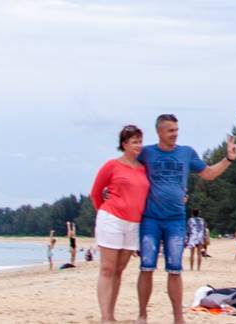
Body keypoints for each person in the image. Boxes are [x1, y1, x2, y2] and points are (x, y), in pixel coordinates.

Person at [136, 114, 236, 324]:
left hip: (175, 221)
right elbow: (127, 170)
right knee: (146, 268)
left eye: (176, 130)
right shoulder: (146, 153)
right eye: (170, 131)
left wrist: (228, 159)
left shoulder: (186, 153)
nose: (175, 134)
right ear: (159, 132)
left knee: (175, 269)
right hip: (150, 220)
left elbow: (208, 174)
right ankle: (142, 315)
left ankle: (178, 318)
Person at [92, 125, 150, 323]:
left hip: (133, 223)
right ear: (124, 144)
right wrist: (105, 211)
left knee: (119, 270)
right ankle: (106, 317)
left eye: (140, 141)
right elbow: (96, 192)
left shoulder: (144, 168)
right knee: (107, 269)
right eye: (134, 142)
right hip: (112, 220)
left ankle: (111, 312)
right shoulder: (112, 165)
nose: (138, 145)